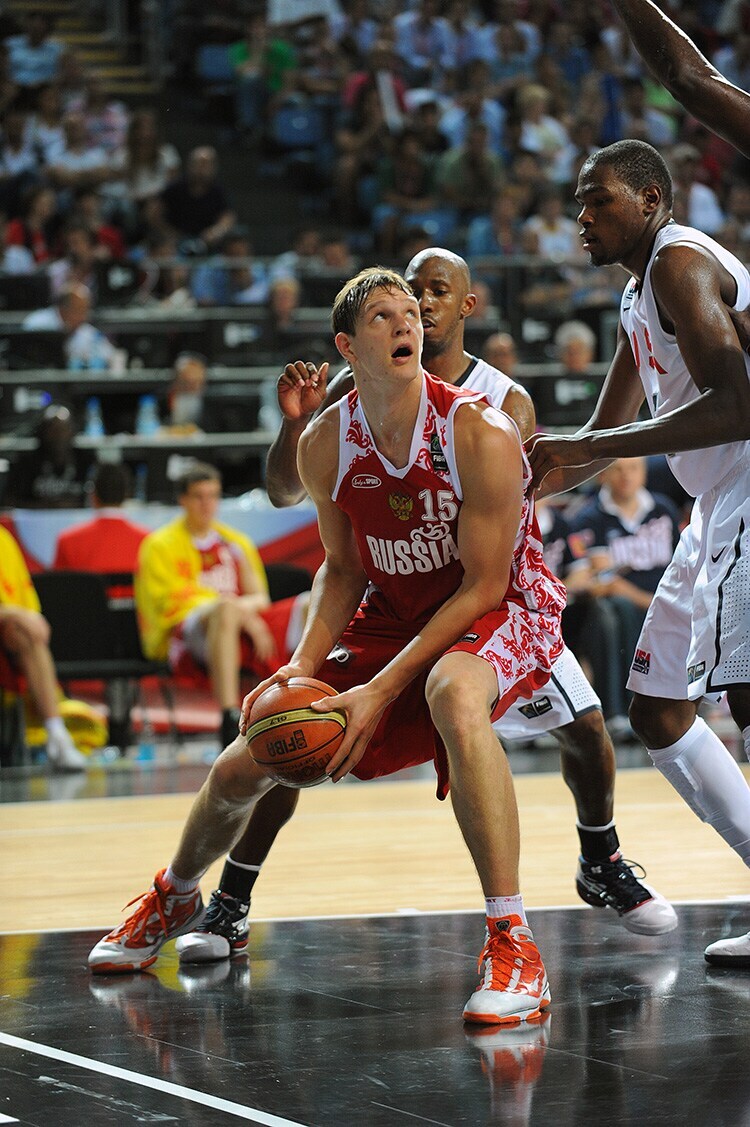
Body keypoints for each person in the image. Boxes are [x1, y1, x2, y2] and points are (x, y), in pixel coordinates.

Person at [89, 266, 568, 1029]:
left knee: (452, 691)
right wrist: (300, 666)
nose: (406, 323)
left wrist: (380, 691)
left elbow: (482, 586)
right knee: (251, 750)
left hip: (504, 602)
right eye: (383, 316)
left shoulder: (476, 429)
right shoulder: (324, 442)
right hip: (394, 607)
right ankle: (176, 893)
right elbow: (343, 568)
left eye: (410, 312)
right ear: (347, 345)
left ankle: (514, 942)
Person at [180, 249, 674, 969]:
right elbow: (291, 491)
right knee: (296, 722)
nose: (420, 305)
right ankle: (229, 902)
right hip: (396, 597)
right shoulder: (359, 386)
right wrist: (298, 426)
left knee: (588, 730)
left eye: (434, 294)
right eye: (408, 295)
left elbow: (514, 521)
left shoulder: (501, 402)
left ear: (465, 308)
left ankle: (599, 857)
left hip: (491, 595)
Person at [525, 138, 750, 968]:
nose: (582, 217)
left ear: (651, 199)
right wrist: (510, 487)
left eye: (598, 201)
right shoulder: (635, 294)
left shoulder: (680, 267)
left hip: (748, 484)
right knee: (657, 709)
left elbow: (737, 407)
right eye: (580, 203)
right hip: (714, 502)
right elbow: (592, 441)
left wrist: (601, 443)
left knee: (748, 697)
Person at [134, 462, 307, 749]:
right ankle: (229, 718)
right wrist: (233, 609)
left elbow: (260, 598)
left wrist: (239, 612)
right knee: (224, 610)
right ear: (183, 500)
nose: (207, 504)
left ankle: (319, 702)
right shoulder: (159, 545)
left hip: (240, 627)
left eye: (213, 496)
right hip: (187, 636)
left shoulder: (235, 542)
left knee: (309, 603)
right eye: (199, 496)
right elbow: (167, 603)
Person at [564, 457, 681, 738]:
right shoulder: (587, 517)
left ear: (644, 472)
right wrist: (651, 602)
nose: (626, 476)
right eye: (618, 469)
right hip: (631, 607)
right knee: (615, 608)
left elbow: (680, 564)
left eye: (634, 468)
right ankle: (620, 709)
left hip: (664, 600)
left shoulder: (663, 509)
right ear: (602, 474)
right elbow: (606, 582)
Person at [0, 525, 86, 770]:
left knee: (26, 634)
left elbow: (27, 606)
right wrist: (15, 613)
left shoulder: (3, 539)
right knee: (22, 624)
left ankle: (57, 736)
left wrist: (24, 617)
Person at [52, 462, 148, 573]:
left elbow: (58, 588)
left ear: (93, 496)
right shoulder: (148, 542)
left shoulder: (67, 541)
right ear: (126, 495)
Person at [5, 403, 92, 509]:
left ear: (72, 432)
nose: (58, 436)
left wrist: (73, 506)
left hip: (79, 522)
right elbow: (9, 503)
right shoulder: (26, 465)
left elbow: (101, 502)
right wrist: (46, 506)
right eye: (52, 430)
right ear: (42, 432)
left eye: (63, 429)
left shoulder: (86, 462)